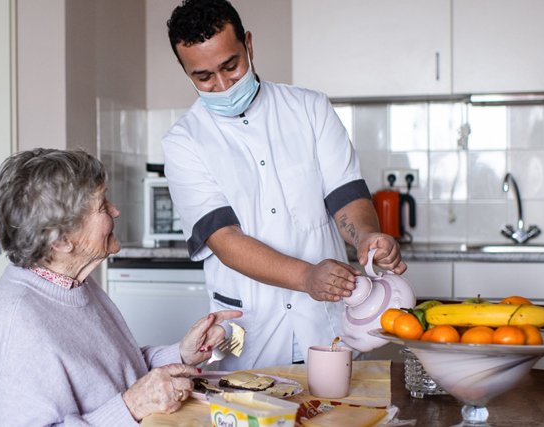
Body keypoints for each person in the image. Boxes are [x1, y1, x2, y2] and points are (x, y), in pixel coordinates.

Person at [161, 0, 406, 370]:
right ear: (184, 71)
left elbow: (346, 194)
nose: (223, 85)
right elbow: (224, 240)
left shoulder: (310, 109)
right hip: (246, 335)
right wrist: (307, 276)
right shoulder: (183, 142)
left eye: (231, 65)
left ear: (248, 44)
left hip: (325, 328)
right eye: (204, 77)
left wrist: (367, 237)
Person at [0, 148, 241, 426]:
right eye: (102, 205)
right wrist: (132, 406)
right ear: (62, 240)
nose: (115, 210)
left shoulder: (71, 283)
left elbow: (116, 371)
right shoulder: (18, 324)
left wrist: (181, 353)